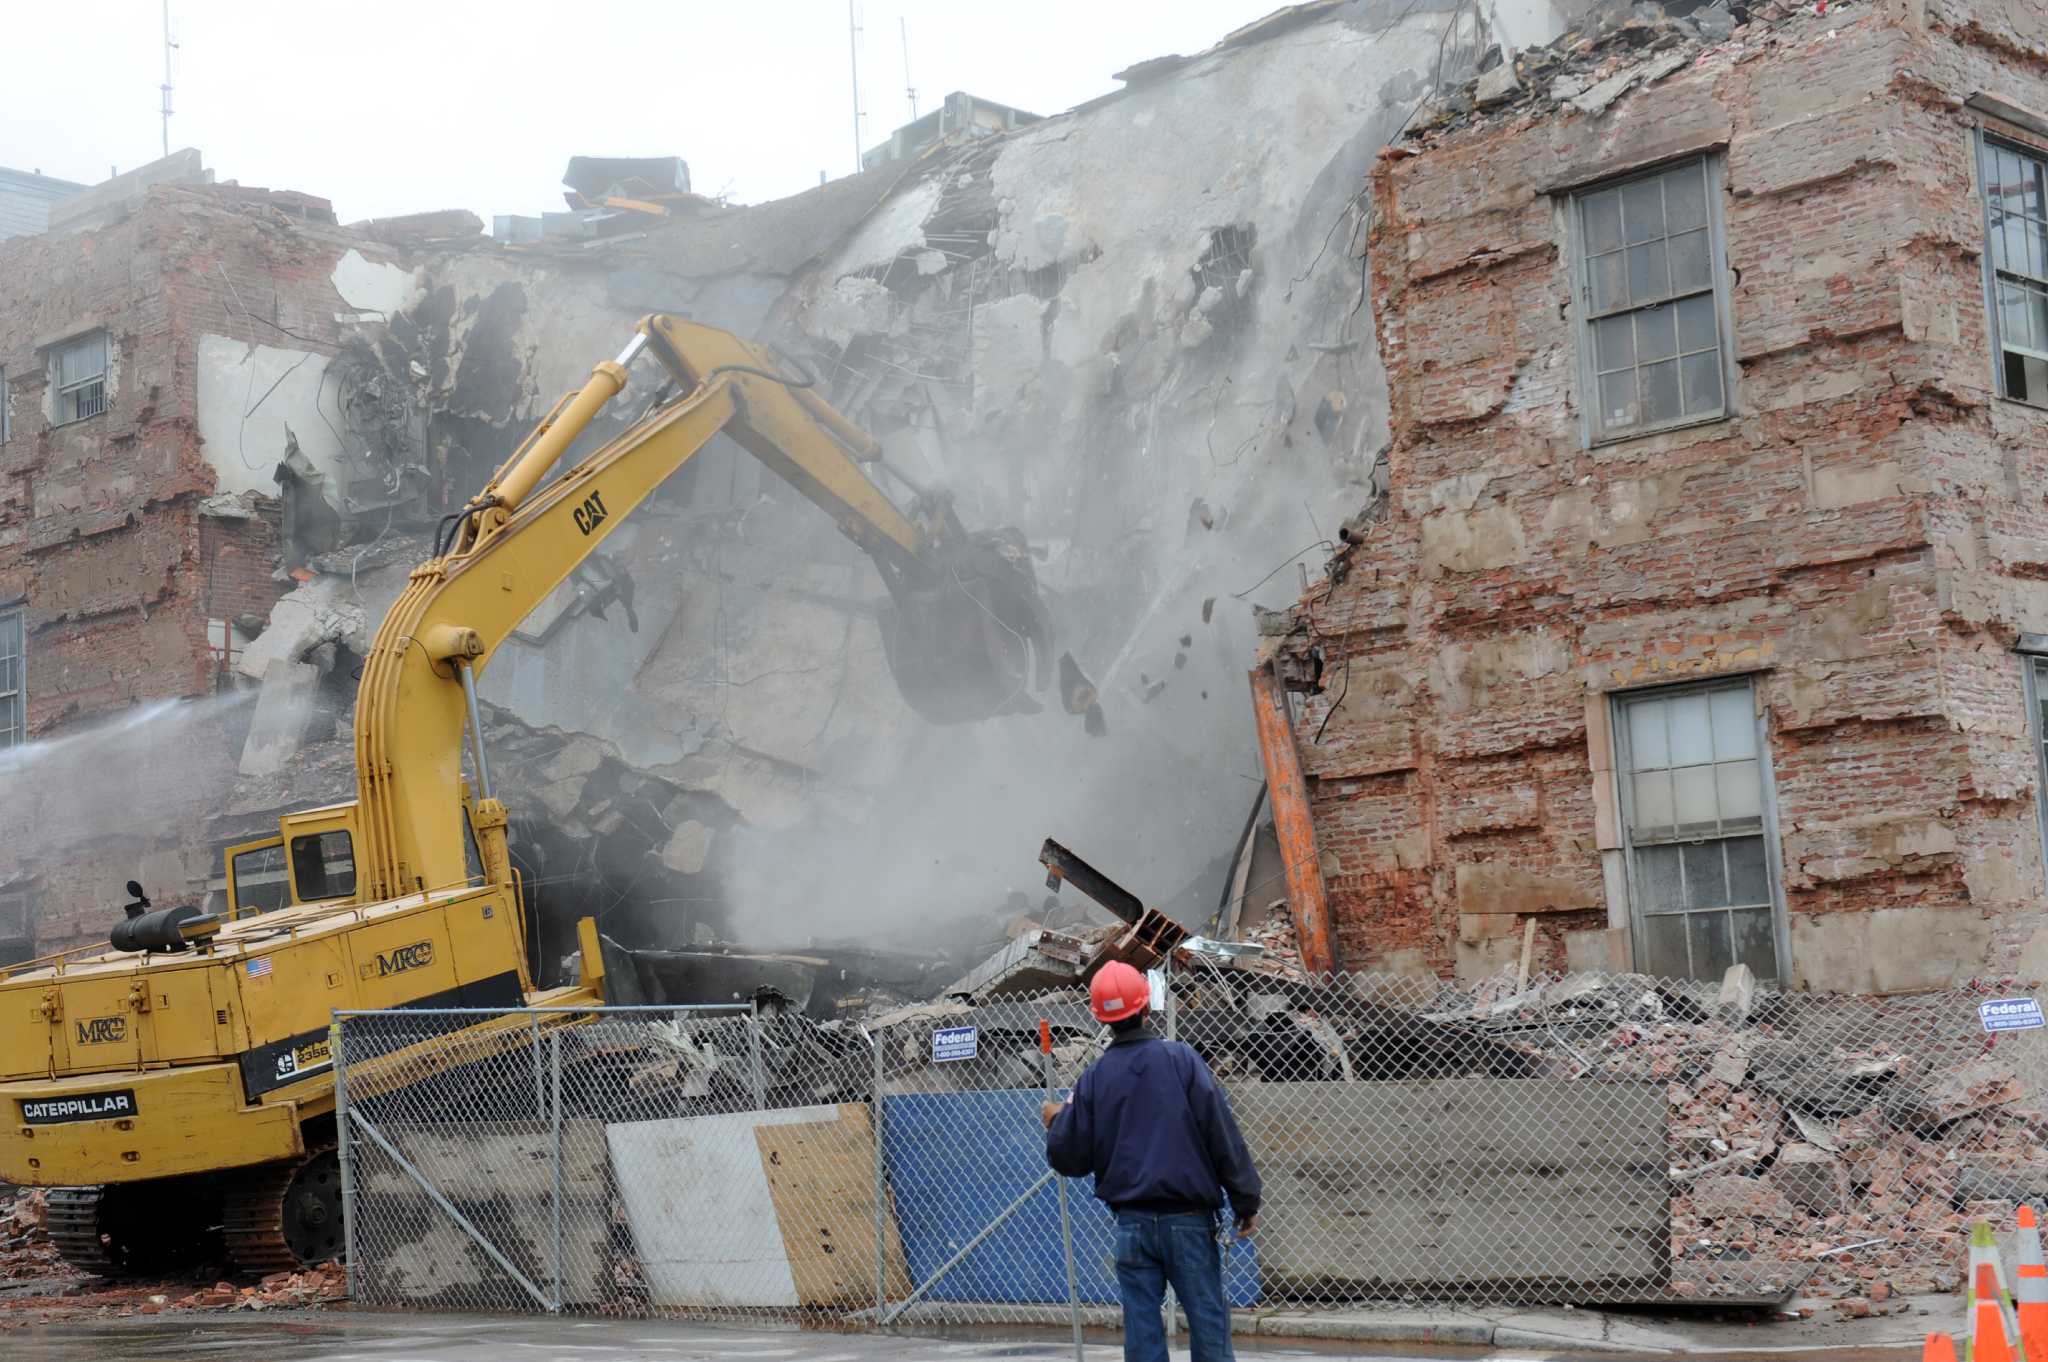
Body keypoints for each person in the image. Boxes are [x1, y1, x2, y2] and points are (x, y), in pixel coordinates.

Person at [1042, 960, 1261, 1362]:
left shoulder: (1095, 1077)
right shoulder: (1181, 1060)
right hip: (1188, 1220)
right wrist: (1245, 1201)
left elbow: (1068, 1158)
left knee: (1142, 1332)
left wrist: (1057, 1122)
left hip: (1133, 1224)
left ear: (1099, 1018)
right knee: (1208, 1323)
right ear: (1146, 1006)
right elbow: (1221, 1133)